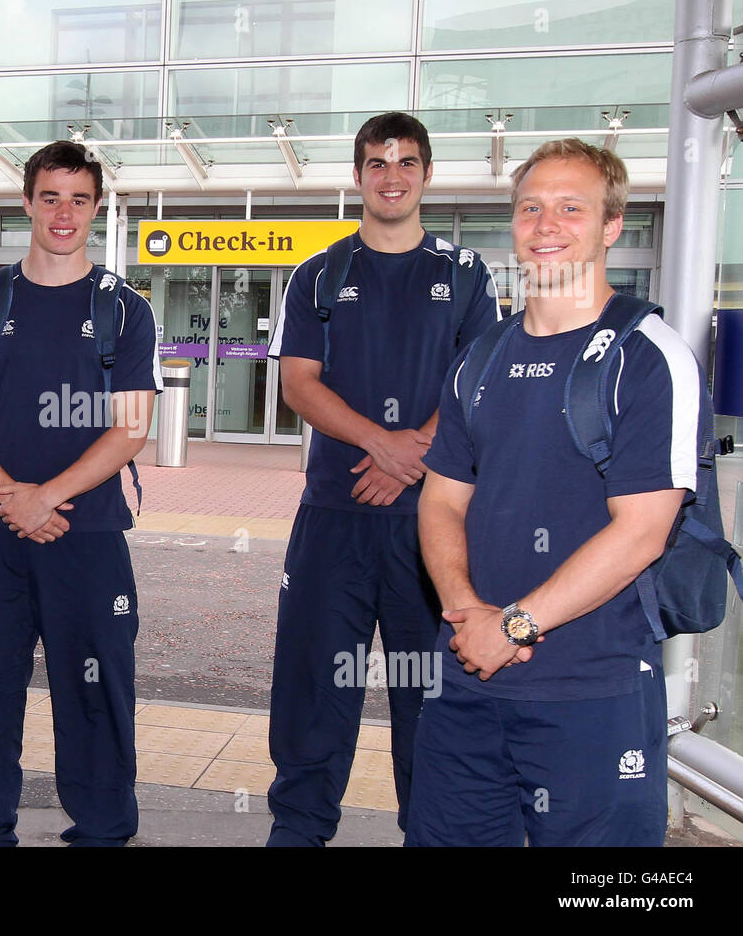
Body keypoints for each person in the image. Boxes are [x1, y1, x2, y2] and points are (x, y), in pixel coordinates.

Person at [410, 140, 702, 846]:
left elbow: (641, 531)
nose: (546, 224)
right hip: (469, 679)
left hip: (593, 691)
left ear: (610, 226)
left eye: (571, 207)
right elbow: (441, 500)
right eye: (531, 207)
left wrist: (512, 626)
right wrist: (465, 609)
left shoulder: (648, 356)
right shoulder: (480, 356)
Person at [266, 112, 500, 846]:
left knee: (430, 696)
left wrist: (416, 455)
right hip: (334, 516)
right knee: (312, 692)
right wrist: (380, 443)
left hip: (435, 523)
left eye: (405, 162)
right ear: (358, 174)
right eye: (376, 162)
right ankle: (298, 830)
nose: (391, 176)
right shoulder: (319, 274)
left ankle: (428, 831)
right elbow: (298, 384)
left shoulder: (465, 276)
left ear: (427, 173)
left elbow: (479, 380)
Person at [0, 140, 161, 846]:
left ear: (98, 207)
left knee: (96, 690)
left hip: (89, 533)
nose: (64, 213)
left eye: (79, 198)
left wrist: (48, 497)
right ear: (28, 201)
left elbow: (131, 428)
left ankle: (100, 829)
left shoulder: (125, 311)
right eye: (50, 196)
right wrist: (12, 497)